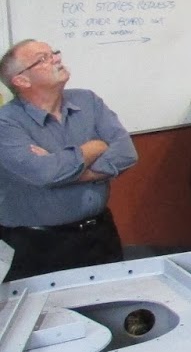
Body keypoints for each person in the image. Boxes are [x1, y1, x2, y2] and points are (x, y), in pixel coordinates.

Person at [0, 40, 137, 281]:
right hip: (38, 246)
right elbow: (45, 174)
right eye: (42, 59)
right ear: (21, 81)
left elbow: (126, 153)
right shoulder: (6, 122)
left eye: (53, 53)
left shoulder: (88, 101)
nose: (56, 59)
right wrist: (96, 146)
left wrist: (65, 172)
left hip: (100, 234)